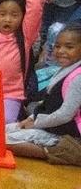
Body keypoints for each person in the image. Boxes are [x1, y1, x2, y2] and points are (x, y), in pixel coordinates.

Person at [6, 23, 81, 161]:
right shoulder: (65, 69)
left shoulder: (78, 77)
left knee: (5, 140)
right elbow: (48, 102)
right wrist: (30, 119)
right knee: (2, 130)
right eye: (58, 46)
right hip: (49, 126)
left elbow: (65, 115)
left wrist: (36, 123)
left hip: (66, 134)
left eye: (69, 47)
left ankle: (59, 152)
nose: (61, 51)